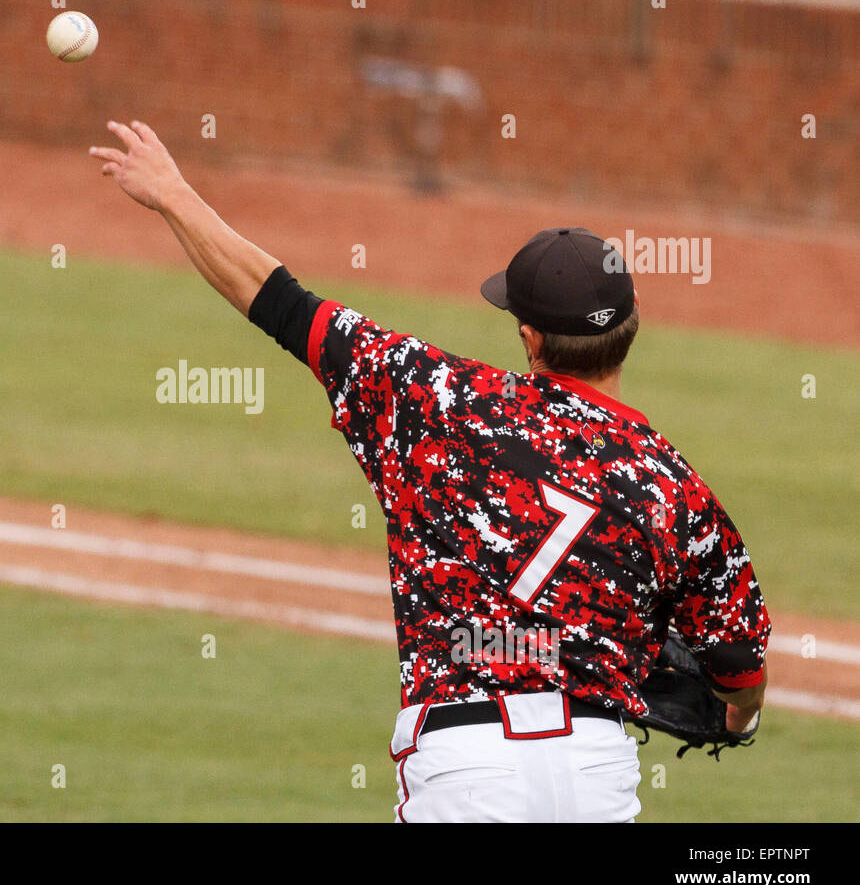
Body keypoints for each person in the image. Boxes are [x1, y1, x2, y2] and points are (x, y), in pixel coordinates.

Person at [89, 120, 770, 822]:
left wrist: (173, 195)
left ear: (529, 336)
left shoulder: (435, 398)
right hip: (595, 774)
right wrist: (737, 719)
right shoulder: (673, 484)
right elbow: (740, 665)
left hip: (465, 769)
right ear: (631, 326)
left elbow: (280, 302)